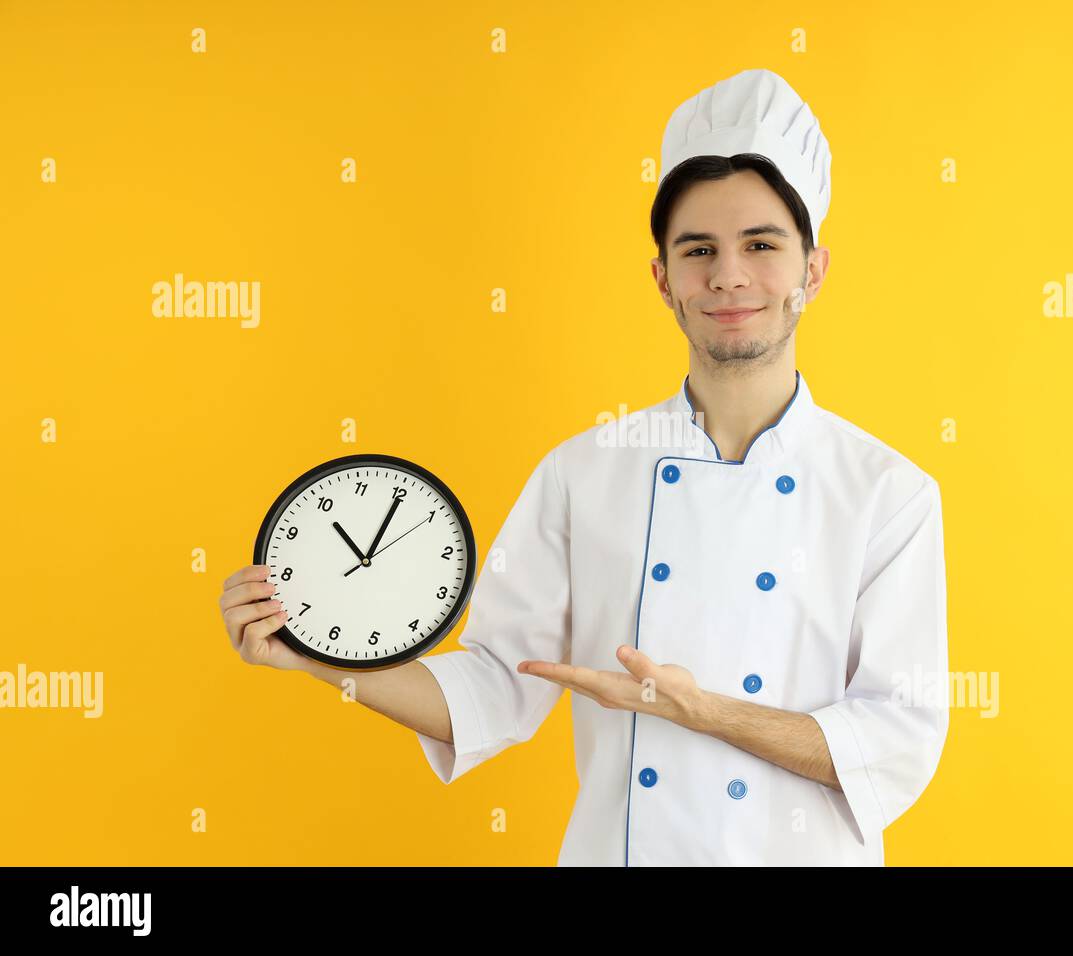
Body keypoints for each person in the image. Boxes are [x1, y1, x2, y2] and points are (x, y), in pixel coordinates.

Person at [219, 68, 949, 866]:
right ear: (662, 279)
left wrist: (701, 712)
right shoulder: (584, 473)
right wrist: (319, 654)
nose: (729, 275)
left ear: (813, 270)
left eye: (762, 245)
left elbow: (895, 742)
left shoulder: (888, 494)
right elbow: (496, 687)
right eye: (698, 249)